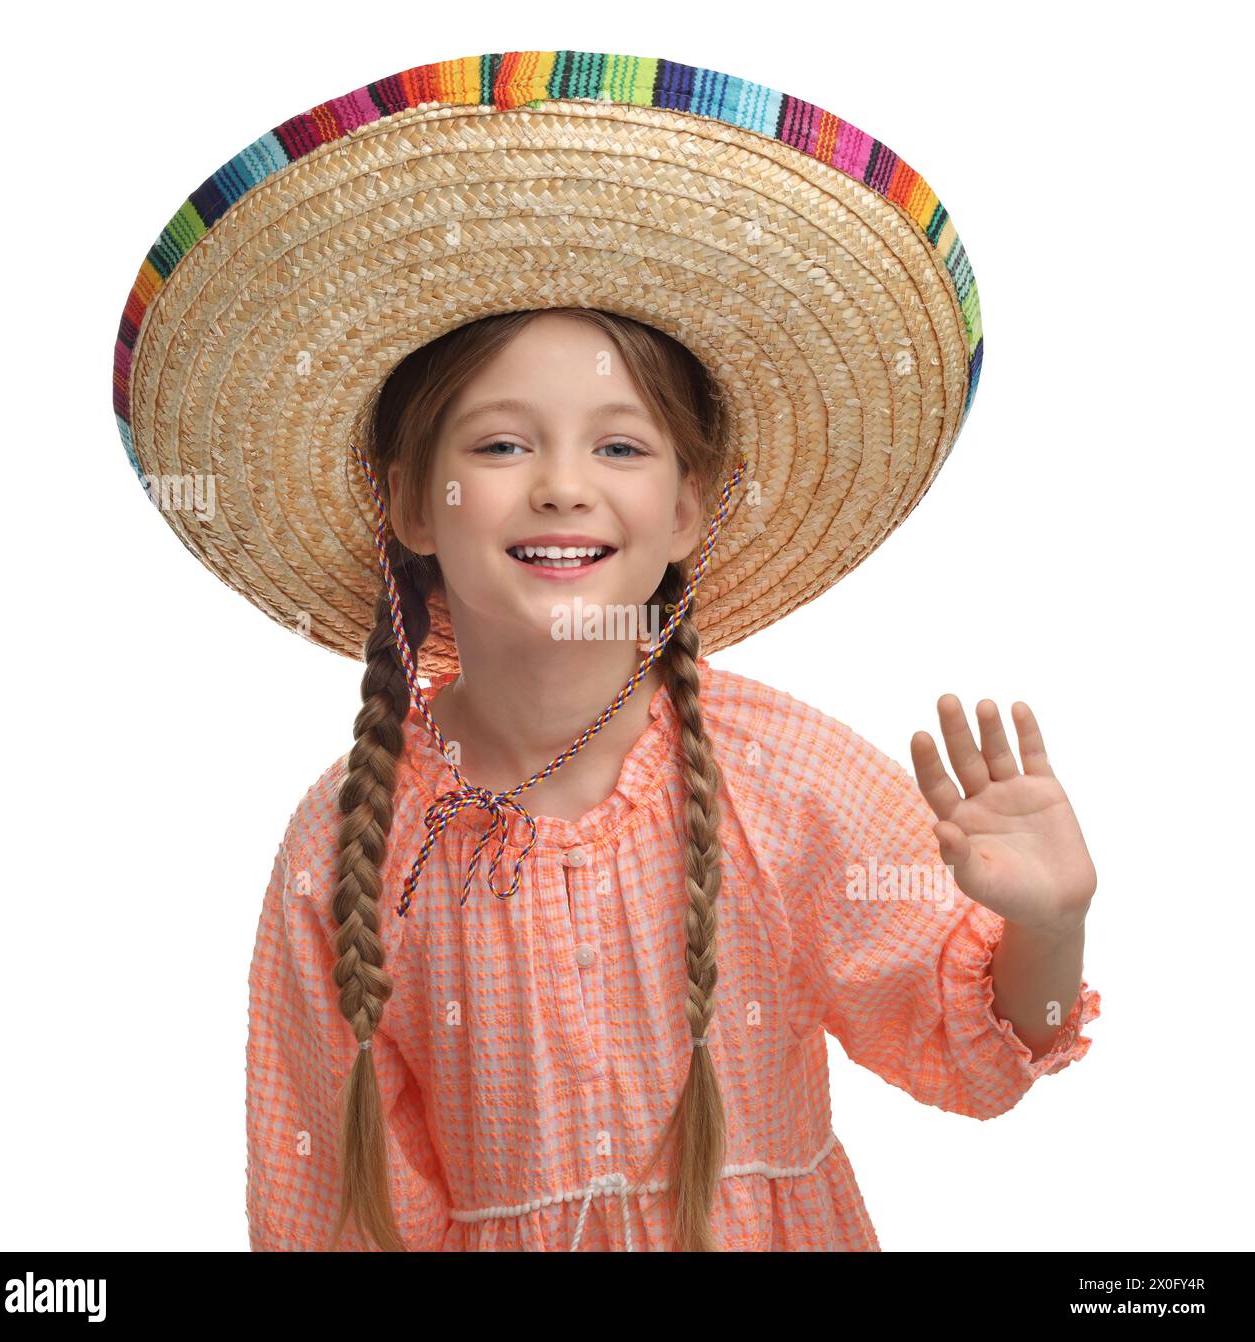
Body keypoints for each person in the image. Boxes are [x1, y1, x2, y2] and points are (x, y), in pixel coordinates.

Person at [112, 52, 1101, 1252]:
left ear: (688, 512)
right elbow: (323, 1210)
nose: (564, 487)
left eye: (621, 448)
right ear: (415, 510)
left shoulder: (776, 775)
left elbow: (976, 1058)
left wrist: (1049, 928)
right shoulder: (345, 848)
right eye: (501, 445)